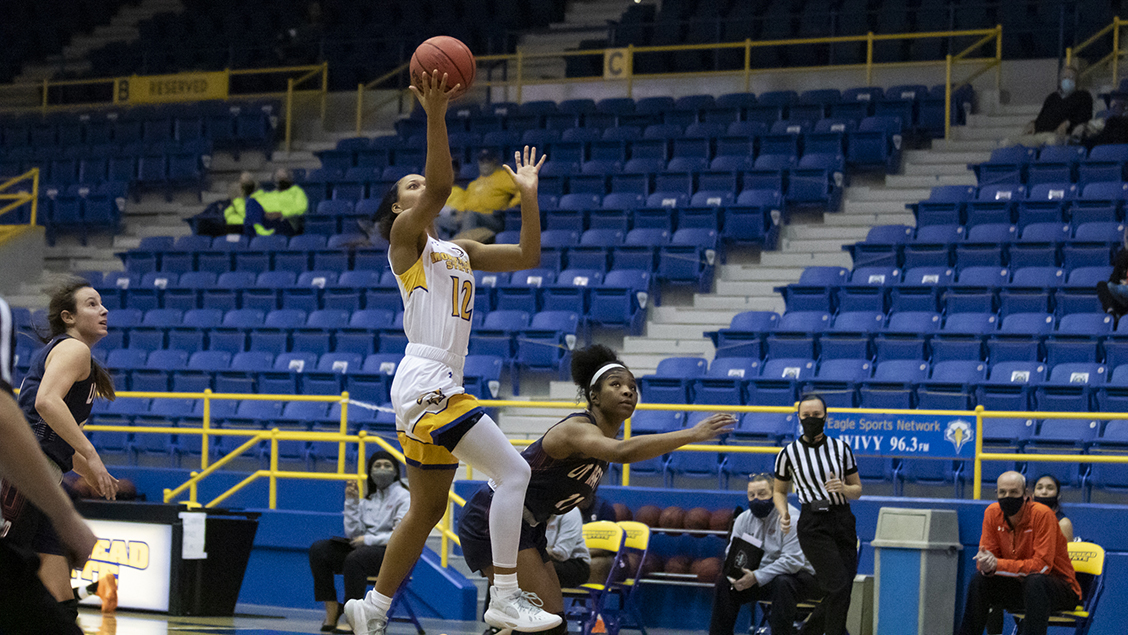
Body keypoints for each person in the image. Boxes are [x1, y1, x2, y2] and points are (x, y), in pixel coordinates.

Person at [344, 69, 558, 635]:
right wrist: (436, 115)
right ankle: (506, 595)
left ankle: (373, 608)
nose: (423, 190)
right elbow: (441, 189)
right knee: (513, 473)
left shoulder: (458, 249)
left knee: (426, 508)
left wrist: (529, 197)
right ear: (397, 211)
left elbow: (528, 256)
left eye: (421, 184)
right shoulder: (405, 243)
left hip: (432, 380)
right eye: (409, 187)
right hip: (427, 377)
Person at [457, 344, 735, 635]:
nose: (628, 391)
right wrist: (692, 433)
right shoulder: (577, 429)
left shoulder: (601, 447)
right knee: (545, 626)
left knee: (550, 622)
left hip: (528, 528)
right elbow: (624, 451)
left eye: (632, 387)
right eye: (616, 385)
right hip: (491, 517)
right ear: (594, 396)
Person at [0, 277, 119, 624]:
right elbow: (46, 402)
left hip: (46, 478)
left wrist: (94, 472)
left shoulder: (73, 357)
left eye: (102, 303)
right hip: (24, 474)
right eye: (92, 304)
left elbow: (56, 436)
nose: (104, 310)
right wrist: (92, 455)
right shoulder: (73, 349)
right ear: (68, 317)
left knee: (59, 597)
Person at [773, 394, 861, 635]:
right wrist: (783, 513)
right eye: (806, 416)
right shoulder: (788, 453)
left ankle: (808, 632)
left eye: (817, 416)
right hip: (813, 523)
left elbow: (858, 490)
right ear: (799, 418)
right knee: (837, 585)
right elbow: (779, 491)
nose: (812, 420)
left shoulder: (841, 448)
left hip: (842, 518)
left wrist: (843, 488)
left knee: (844, 589)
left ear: (826, 417)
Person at [957, 471, 1081, 635]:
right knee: (979, 580)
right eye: (1003, 493)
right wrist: (987, 566)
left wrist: (997, 564)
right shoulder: (992, 513)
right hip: (1021, 586)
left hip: (1059, 589)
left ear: (1026, 494)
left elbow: (1042, 567)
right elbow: (985, 561)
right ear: (997, 494)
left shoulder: (1043, 515)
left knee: (1035, 581)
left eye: (1014, 492)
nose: (1008, 497)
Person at [309, 451, 410, 632]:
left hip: (389, 553)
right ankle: (332, 609)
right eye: (377, 466)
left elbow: (401, 536)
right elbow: (353, 532)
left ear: (396, 471)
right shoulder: (369, 499)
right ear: (370, 472)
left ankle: (353, 618)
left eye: (387, 466)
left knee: (356, 558)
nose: (382, 470)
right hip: (364, 549)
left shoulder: (404, 496)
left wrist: (368, 539)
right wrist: (351, 502)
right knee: (320, 549)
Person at [710, 473, 819, 635]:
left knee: (783, 582)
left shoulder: (792, 518)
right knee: (725, 584)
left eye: (762, 494)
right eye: (751, 495)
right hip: (764, 579)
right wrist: (735, 575)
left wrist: (756, 577)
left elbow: (792, 561)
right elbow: (731, 555)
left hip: (803, 578)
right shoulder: (742, 520)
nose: (756, 499)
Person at [1005, 64, 1092, 147]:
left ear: (1076, 81)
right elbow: (1041, 117)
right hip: (1038, 135)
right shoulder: (1052, 97)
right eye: (1064, 77)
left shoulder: (1083, 96)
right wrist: (1033, 124)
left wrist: (1069, 122)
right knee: (1008, 142)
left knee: (1051, 142)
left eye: (1071, 77)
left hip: (1057, 135)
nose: (1067, 80)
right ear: (1060, 80)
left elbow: (1085, 117)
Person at [437, 148, 518, 239]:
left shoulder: (503, 177)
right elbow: (465, 204)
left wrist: (511, 205)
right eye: (482, 161)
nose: (485, 164)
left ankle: (461, 245)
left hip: (493, 218)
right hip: (472, 220)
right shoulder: (473, 184)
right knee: (436, 218)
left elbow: (520, 191)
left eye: (488, 161)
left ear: (495, 161)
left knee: (471, 215)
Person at [250, 168, 308, 236]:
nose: (281, 180)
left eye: (284, 178)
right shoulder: (272, 194)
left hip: (287, 222)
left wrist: (281, 213)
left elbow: (301, 208)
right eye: (279, 178)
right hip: (268, 221)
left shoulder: (296, 191)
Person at [544, 508, 590, 589]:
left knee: (535, 570)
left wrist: (533, 554)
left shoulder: (571, 512)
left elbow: (562, 554)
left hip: (575, 564)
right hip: (548, 559)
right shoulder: (537, 514)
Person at [1096, 226, 1128, 315]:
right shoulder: (1123, 256)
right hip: (1122, 298)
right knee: (1102, 285)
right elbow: (1112, 281)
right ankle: (1111, 312)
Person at [1033, 474, 1074, 541]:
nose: (1044, 492)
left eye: (1050, 488)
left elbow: (1067, 551)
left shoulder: (1063, 524)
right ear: (1033, 494)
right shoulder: (1025, 521)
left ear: (1058, 495)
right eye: (1039, 488)